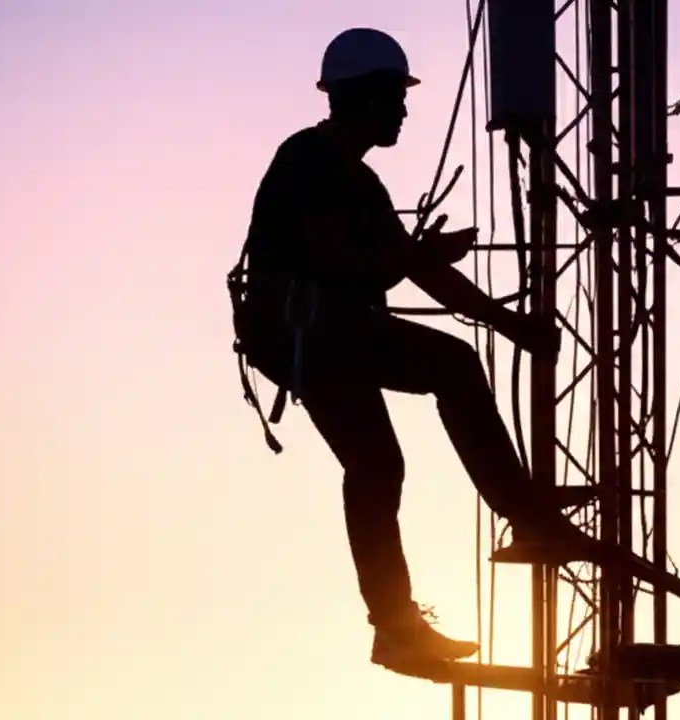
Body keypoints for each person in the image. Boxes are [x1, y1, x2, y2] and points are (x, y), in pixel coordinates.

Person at [230, 27, 584, 668]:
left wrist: (509, 325)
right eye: (395, 98)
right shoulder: (310, 162)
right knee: (401, 433)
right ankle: (505, 526)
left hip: (327, 335)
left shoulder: (356, 181)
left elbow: (413, 267)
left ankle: (405, 618)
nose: (403, 111)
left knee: (383, 458)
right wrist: (413, 257)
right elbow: (346, 259)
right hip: (311, 333)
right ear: (364, 96)